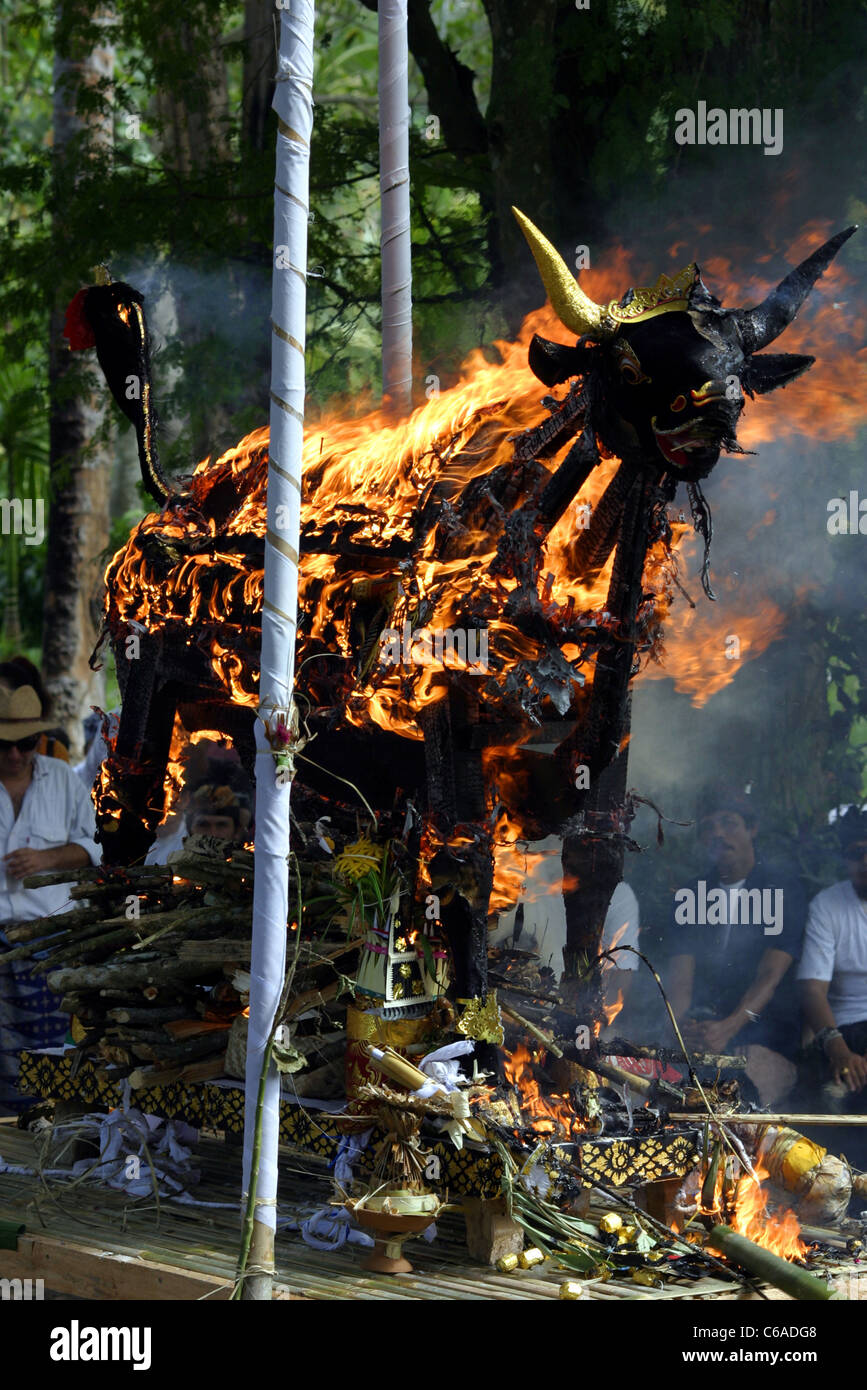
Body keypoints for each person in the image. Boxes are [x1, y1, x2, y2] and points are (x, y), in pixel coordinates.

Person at [666, 786, 806, 1105]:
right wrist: (681, 1027)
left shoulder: (783, 890)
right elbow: (680, 978)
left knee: (741, 1105)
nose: (718, 834)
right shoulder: (691, 893)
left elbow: (770, 976)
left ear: (751, 828)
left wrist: (728, 1028)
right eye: (709, 828)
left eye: (729, 823)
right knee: (673, 1098)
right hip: (706, 1027)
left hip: (765, 1033)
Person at [0, 680, 101, 1114]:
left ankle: (43, 1138)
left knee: (49, 1060)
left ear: (38, 738)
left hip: (49, 943)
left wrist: (46, 858)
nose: (15, 755)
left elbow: (95, 848)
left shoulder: (61, 778)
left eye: (25, 743)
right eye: (4, 745)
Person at [797, 806, 867, 1110]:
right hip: (843, 1031)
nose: (865, 861)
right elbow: (812, 989)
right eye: (856, 853)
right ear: (845, 859)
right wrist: (838, 1048)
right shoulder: (827, 905)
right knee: (832, 1100)